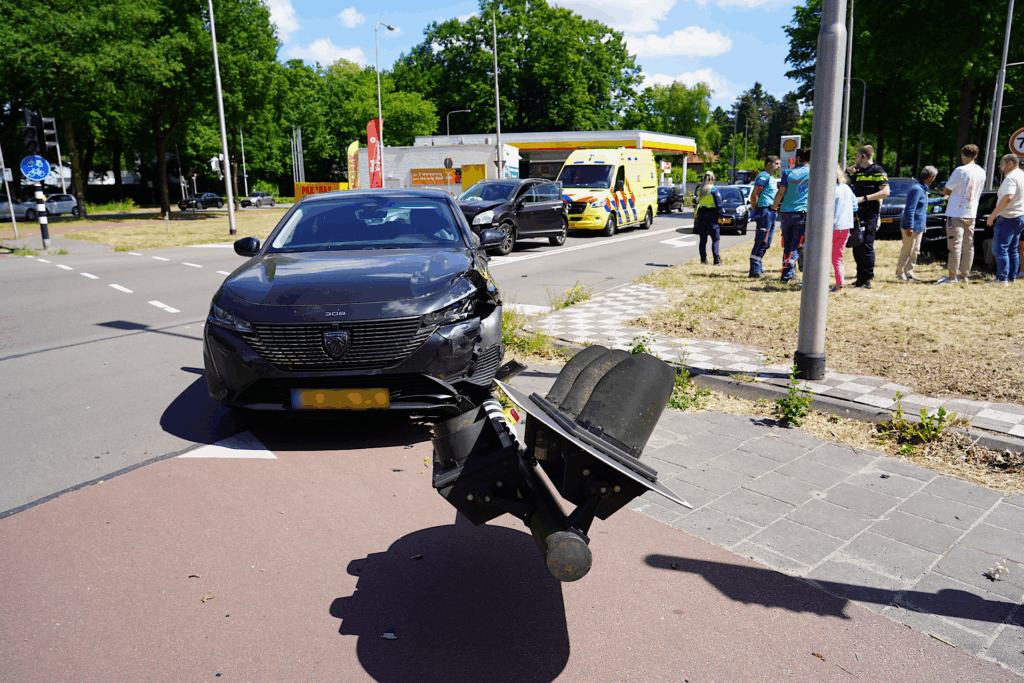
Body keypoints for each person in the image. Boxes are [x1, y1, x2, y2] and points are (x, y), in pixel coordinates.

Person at [936, 144, 986, 284]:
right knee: (969, 246)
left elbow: (946, 190)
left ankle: (952, 277)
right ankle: (964, 276)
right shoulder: (982, 171)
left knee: (954, 246)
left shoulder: (960, 170)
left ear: (963, 155)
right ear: (976, 156)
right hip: (972, 213)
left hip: (956, 213)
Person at [847, 145, 890, 289]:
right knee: (856, 244)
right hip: (856, 214)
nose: (855, 159)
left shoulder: (878, 171)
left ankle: (866, 280)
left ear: (863, 156)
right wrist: (848, 173)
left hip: (870, 214)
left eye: (857, 156)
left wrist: (864, 198)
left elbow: (885, 192)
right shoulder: (857, 171)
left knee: (866, 246)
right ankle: (859, 278)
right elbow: (843, 183)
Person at [770, 147, 811, 284]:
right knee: (797, 245)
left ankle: (789, 273)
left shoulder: (788, 172)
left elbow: (780, 192)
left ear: (797, 158)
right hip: (802, 214)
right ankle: (787, 274)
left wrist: (774, 207)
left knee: (788, 244)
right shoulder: (813, 172)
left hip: (787, 213)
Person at [895, 166, 941, 281]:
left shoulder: (922, 189)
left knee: (915, 250)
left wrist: (942, 199)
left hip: (919, 226)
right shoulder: (916, 189)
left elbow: (925, 202)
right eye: (934, 177)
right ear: (931, 177)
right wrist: (910, 226)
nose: (934, 179)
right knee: (908, 250)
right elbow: (910, 209)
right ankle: (900, 273)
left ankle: (909, 272)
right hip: (911, 226)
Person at [986, 154, 1024, 285]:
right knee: (1013, 249)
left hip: (1008, 217)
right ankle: (1011, 277)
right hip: (1019, 216)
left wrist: (993, 214)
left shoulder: (1011, 178)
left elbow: (1008, 197)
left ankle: (1002, 279)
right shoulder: (1021, 175)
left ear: (1010, 164)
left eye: (1002, 164)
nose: (1000, 167)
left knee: (1000, 249)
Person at [748, 156, 780, 278]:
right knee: (761, 240)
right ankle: (755, 269)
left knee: (766, 242)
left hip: (771, 212)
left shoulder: (771, 178)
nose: (778, 166)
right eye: (776, 164)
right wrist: (756, 211)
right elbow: (754, 194)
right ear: (768, 164)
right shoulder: (763, 176)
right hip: (764, 211)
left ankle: (759, 268)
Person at [831, 165, 857, 292]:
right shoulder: (846, 188)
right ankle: (839, 283)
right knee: (837, 256)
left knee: (821, 255)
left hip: (831, 227)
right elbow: (855, 206)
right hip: (845, 226)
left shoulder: (830, 190)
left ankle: (817, 281)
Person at [694, 171, 724, 265]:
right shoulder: (713, 189)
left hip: (701, 215)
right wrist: (721, 216)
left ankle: (703, 260)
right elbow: (719, 204)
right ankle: (716, 260)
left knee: (703, 239)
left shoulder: (699, 189)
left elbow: (695, 198)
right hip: (712, 215)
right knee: (715, 239)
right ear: (712, 179)